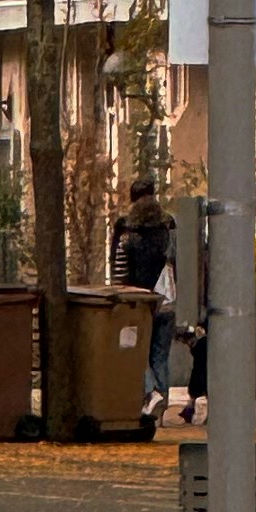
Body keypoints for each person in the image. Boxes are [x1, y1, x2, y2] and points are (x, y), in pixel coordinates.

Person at [112, 178, 174, 427]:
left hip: (137, 302)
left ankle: (151, 393)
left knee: (136, 352)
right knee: (160, 356)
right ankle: (160, 413)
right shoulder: (169, 225)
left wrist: (119, 296)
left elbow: (119, 268)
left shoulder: (125, 227)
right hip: (167, 299)